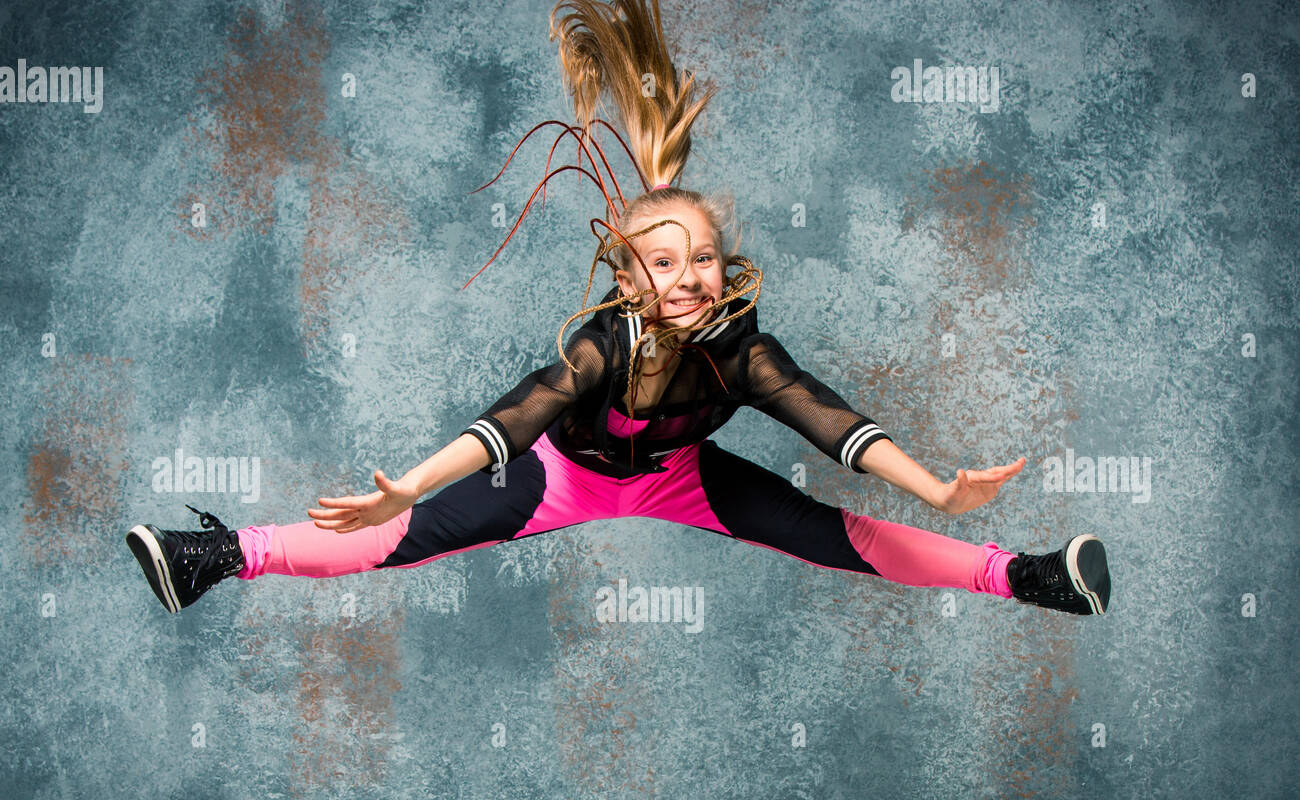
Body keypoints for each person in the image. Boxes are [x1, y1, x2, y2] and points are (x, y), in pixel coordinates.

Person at [126, 0, 1110, 619]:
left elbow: (833, 422)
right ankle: (212, 555)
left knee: (839, 538)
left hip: (684, 480)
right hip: (562, 479)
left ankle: (1028, 576)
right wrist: (406, 488)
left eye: (705, 258)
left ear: (725, 274)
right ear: (630, 280)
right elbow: (514, 420)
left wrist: (935, 488)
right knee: (387, 542)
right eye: (664, 260)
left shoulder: (741, 352)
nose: (687, 275)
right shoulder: (601, 345)